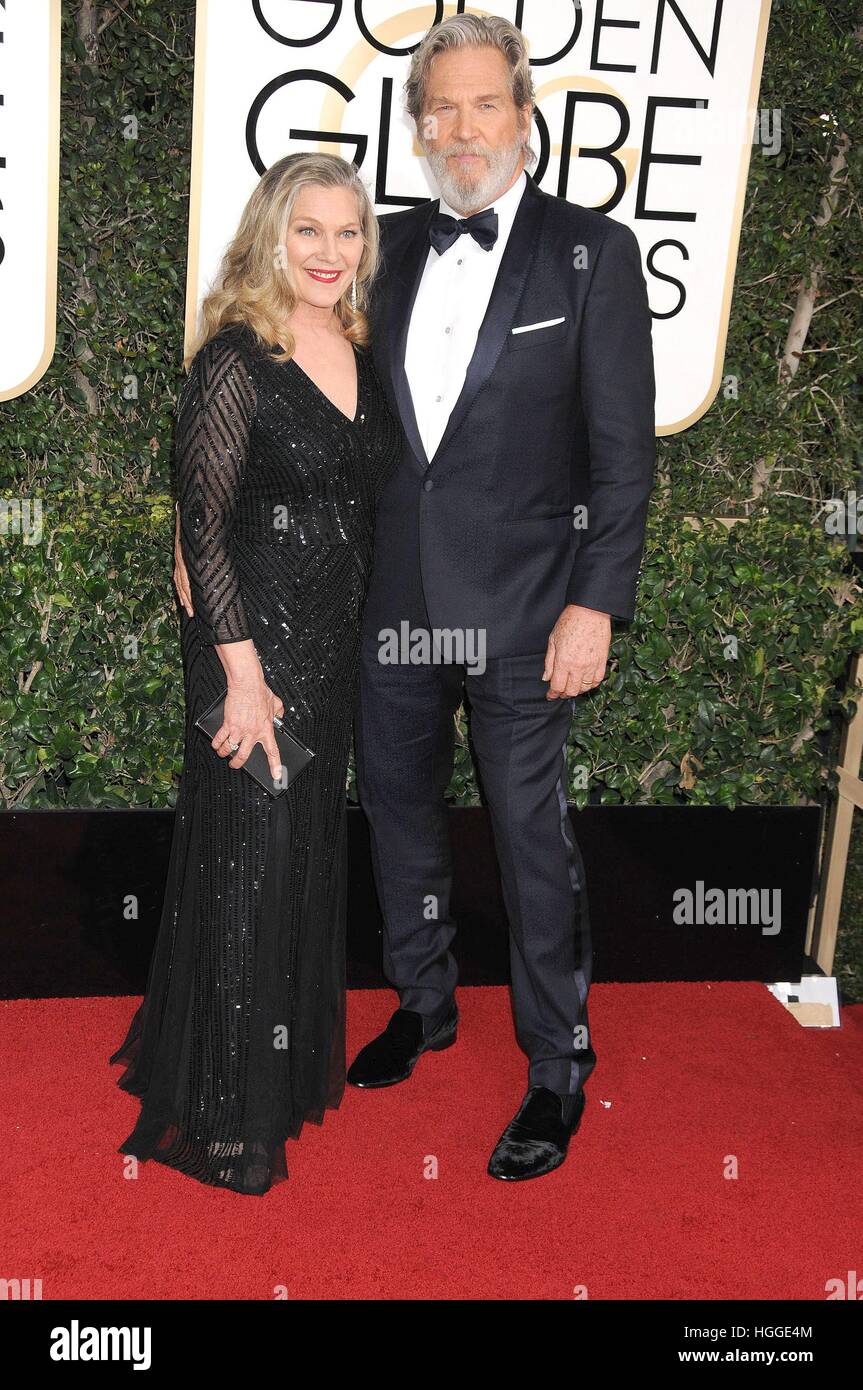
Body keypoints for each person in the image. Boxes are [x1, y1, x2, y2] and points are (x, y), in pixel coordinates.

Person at [347, 15, 656, 1181]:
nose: (461, 128)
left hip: (530, 610)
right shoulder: (380, 249)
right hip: (392, 604)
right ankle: (422, 1004)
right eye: (441, 108)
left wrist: (596, 603)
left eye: (485, 105)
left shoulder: (592, 252)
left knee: (532, 840)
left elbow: (622, 453)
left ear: (524, 119)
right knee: (400, 815)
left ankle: (554, 1067)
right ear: (419, 125)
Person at [109, 152, 400, 1195]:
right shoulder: (237, 356)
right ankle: (225, 1120)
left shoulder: (357, 343)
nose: (329, 252)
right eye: (308, 230)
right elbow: (200, 518)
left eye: (348, 231)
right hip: (252, 652)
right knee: (249, 869)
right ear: (271, 236)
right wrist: (238, 673)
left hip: (325, 647)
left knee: (295, 864)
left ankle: (263, 1080)